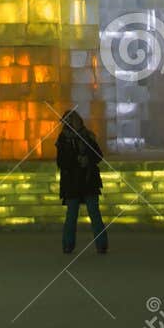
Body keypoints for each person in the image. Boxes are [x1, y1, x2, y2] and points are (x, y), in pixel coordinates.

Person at [55, 108, 108, 255]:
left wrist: (87, 160)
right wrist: (77, 160)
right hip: (73, 182)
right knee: (72, 216)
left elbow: (98, 155)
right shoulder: (63, 139)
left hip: (88, 180)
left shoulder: (87, 136)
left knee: (94, 214)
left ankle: (101, 245)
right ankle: (68, 245)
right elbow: (61, 162)